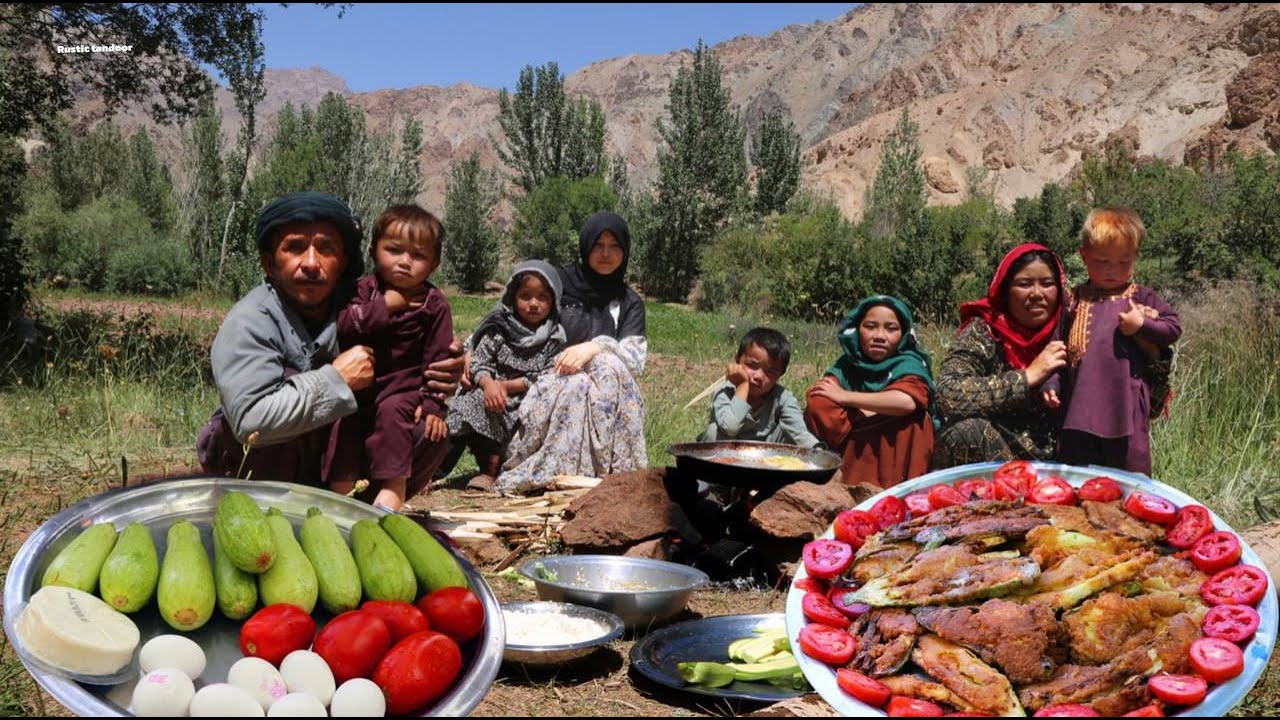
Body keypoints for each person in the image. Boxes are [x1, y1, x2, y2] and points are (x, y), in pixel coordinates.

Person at [196, 191, 464, 494]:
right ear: (269, 264)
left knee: (425, 427)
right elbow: (251, 421)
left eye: (326, 248)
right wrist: (336, 380)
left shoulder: (363, 300)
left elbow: (418, 346)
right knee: (287, 389)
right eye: (295, 248)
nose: (311, 263)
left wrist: (445, 367)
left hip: (337, 459)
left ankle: (365, 512)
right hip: (265, 468)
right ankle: (271, 507)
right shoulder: (249, 322)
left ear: (344, 262)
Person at [495, 211, 648, 495]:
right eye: (597, 245)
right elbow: (508, 314)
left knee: (606, 363)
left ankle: (616, 477)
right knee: (577, 385)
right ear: (585, 246)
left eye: (614, 246)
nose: (605, 253)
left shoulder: (629, 302)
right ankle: (556, 476)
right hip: (549, 377)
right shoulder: (558, 284)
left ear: (625, 251)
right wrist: (471, 349)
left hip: (607, 390)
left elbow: (634, 360)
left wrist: (596, 346)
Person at [324, 205, 453, 510]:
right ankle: (336, 499)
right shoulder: (362, 291)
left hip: (402, 388)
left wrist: (434, 404)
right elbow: (345, 324)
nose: (405, 262)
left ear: (434, 264)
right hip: (357, 386)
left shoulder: (434, 305)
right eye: (394, 250)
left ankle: (391, 494)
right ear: (373, 251)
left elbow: (439, 359)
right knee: (344, 428)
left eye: (418, 256)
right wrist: (386, 306)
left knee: (395, 416)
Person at [1042, 207, 1181, 474]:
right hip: (1078, 407)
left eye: (1123, 262)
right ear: (1084, 255)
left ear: (1135, 259)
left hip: (1126, 407)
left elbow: (1172, 327)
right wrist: (1052, 382)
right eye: (1103, 261)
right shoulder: (1073, 299)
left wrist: (1142, 325)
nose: (1112, 270)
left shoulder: (1140, 296)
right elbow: (1057, 345)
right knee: (1078, 476)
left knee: (1130, 477)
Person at [931, 243, 1070, 467]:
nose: (1037, 294)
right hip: (999, 455)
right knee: (965, 433)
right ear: (1006, 290)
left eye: (1047, 284)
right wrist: (1027, 378)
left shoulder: (1073, 328)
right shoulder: (985, 330)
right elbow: (948, 393)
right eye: (1024, 284)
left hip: (1066, 452)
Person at [446, 261, 566, 493]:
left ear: (553, 301)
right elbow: (480, 361)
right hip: (491, 394)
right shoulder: (499, 328)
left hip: (525, 400)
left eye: (542, 297)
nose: (533, 304)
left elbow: (545, 377)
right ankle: (435, 468)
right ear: (513, 296)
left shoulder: (554, 339)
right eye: (525, 295)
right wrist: (489, 384)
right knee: (467, 403)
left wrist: (505, 386)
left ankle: (489, 471)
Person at [804, 295, 937, 488]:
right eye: (870, 326)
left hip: (897, 452)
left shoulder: (910, 364)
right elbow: (819, 399)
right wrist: (879, 408)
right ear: (857, 330)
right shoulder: (848, 364)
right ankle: (847, 488)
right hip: (855, 455)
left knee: (914, 419)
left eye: (891, 329)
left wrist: (847, 398)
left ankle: (902, 494)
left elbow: (907, 401)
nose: (880, 336)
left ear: (904, 333)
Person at [697, 327, 819, 448]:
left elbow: (800, 434)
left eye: (770, 372)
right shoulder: (725, 390)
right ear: (737, 360)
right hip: (725, 453)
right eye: (752, 365)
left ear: (780, 374)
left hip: (764, 456)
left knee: (790, 435)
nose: (759, 376)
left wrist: (818, 452)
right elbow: (730, 427)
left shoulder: (782, 397)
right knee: (713, 432)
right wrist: (742, 385)